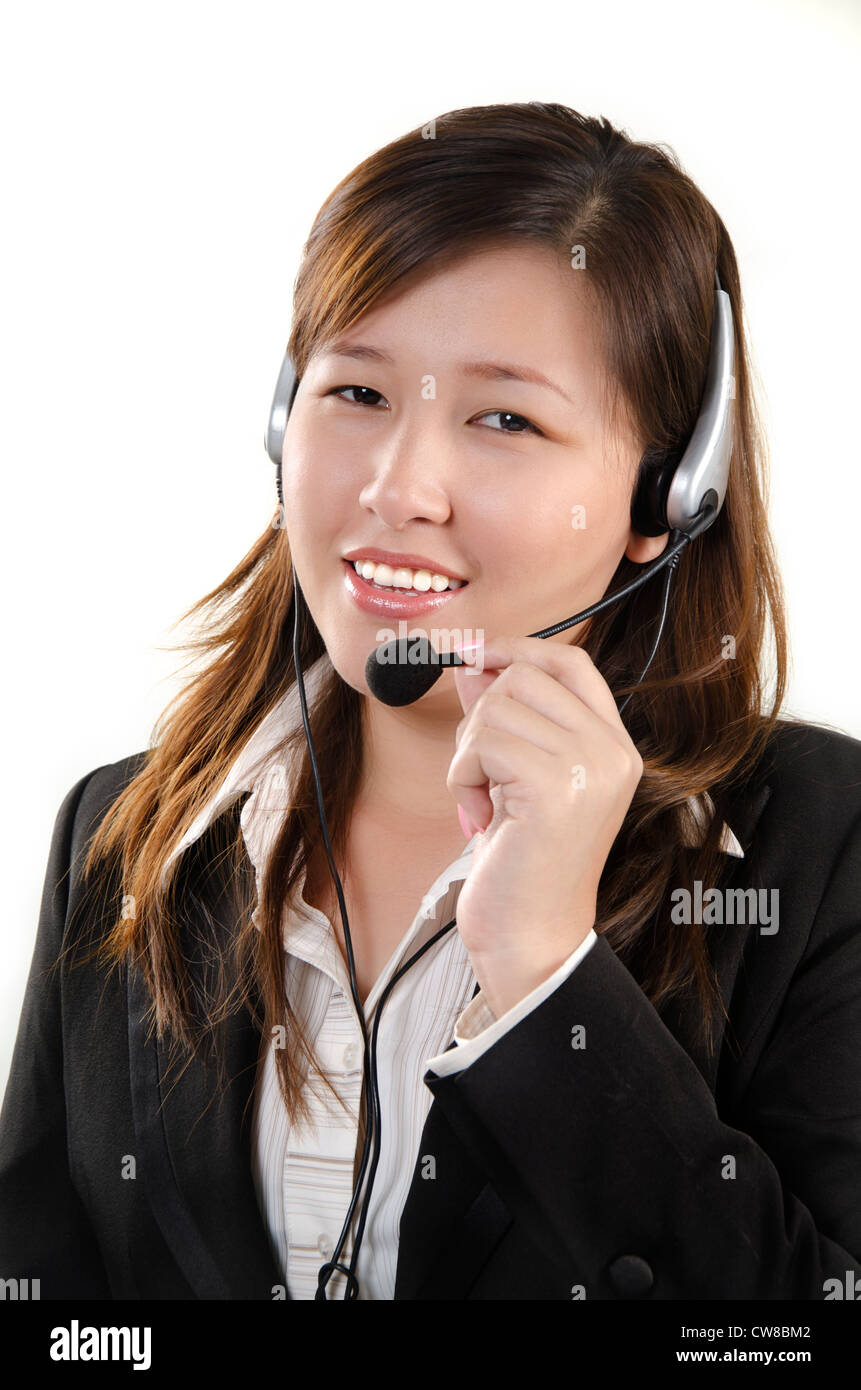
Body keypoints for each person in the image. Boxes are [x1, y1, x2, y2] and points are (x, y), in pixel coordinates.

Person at [1, 100, 859, 1302]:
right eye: (356, 393)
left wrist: (552, 973)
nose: (400, 487)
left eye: (505, 417)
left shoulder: (820, 848)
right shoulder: (122, 836)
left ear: (670, 489)